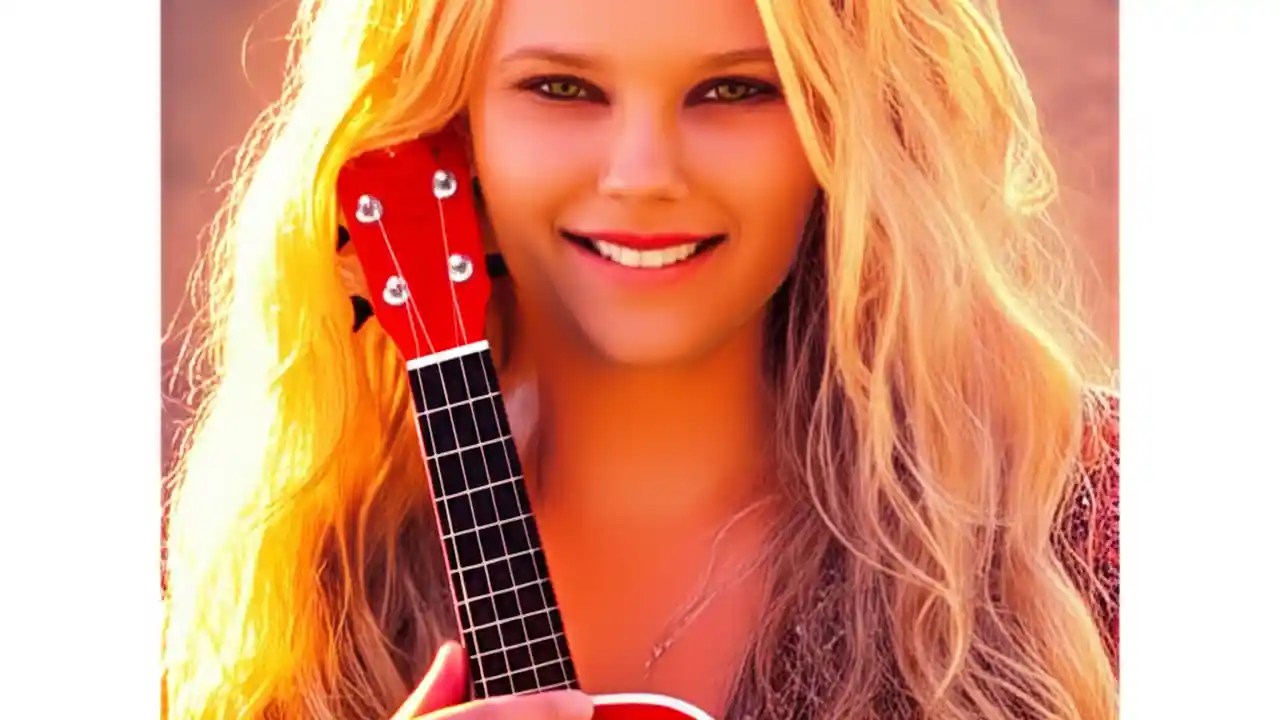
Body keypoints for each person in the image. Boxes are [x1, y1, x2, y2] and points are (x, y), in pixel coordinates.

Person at [161, 0, 1120, 717]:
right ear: (449, 126)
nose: (642, 175)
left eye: (735, 89)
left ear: (853, 125)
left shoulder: (1089, 528)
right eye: (562, 88)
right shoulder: (291, 594)